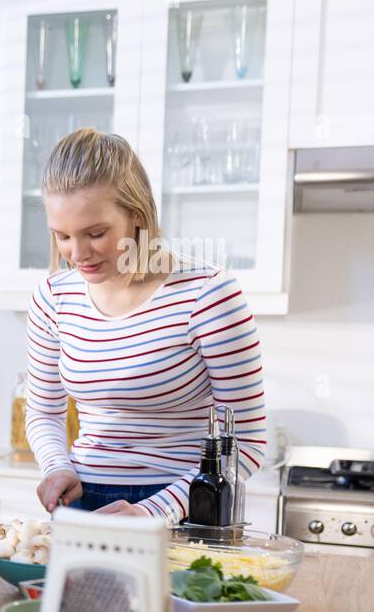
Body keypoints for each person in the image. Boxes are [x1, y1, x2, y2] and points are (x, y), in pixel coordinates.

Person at [25, 128, 266, 523]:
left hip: (187, 508)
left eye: (96, 233)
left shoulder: (207, 294)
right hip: (83, 503)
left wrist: (154, 512)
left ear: (136, 215)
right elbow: (44, 411)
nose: (77, 254)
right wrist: (56, 467)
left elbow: (247, 443)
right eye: (62, 236)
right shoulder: (53, 298)